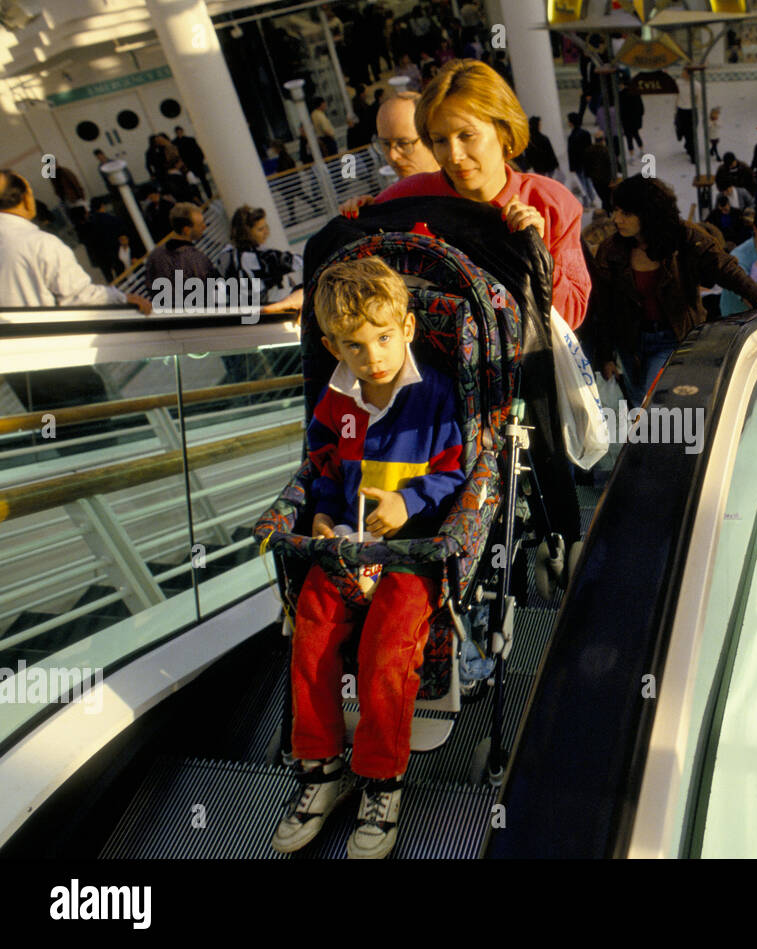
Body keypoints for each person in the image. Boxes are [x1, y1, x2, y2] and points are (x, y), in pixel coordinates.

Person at [270, 256, 466, 860]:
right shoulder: (336, 401)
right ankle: (320, 763)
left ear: (407, 328)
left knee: (387, 652)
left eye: (384, 338)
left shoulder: (435, 395)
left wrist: (410, 502)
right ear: (333, 346)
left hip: (414, 553)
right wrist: (324, 514)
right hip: (348, 551)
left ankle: (382, 777)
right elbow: (323, 469)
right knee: (312, 633)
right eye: (355, 346)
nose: (373, 356)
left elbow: (458, 472)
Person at [375, 58, 590, 550]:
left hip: (522, 395)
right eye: (439, 140)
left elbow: (572, 312)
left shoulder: (551, 203)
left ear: (504, 133)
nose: (453, 154)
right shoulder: (409, 201)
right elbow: (362, 261)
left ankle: (554, 542)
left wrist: (534, 253)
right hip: (439, 406)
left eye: (467, 136)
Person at [590, 176, 757, 407]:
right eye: (615, 211)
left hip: (672, 336)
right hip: (630, 342)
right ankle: (648, 440)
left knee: (651, 398)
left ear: (647, 213)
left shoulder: (683, 237)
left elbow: (721, 265)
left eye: (625, 213)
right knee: (637, 401)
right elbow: (604, 306)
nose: (616, 219)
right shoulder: (611, 250)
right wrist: (605, 355)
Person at [0, 169, 151, 313]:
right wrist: (123, 298)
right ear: (27, 199)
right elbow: (79, 297)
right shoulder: (41, 244)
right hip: (39, 336)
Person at [213, 204, 304, 308]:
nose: (266, 232)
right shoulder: (262, 257)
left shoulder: (226, 255)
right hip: (268, 312)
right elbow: (296, 261)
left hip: (239, 313)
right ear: (246, 233)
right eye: (260, 229)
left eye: (266, 227)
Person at [144, 202, 214, 304]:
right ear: (187, 230)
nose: (204, 227)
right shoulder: (196, 259)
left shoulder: (155, 256)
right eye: (200, 225)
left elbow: (150, 287)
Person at [567, 111, 598, 207]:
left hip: (577, 164)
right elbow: (590, 148)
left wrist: (571, 168)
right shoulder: (586, 133)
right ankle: (592, 199)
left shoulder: (571, 137)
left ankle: (586, 202)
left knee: (582, 184)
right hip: (586, 162)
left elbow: (571, 153)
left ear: (571, 123)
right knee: (588, 181)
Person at [172, 126, 211, 199]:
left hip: (196, 162)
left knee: (204, 180)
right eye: (178, 132)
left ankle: (210, 195)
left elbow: (198, 150)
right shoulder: (175, 143)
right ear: (176, 133)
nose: (179, 133)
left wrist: (201, 159)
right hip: (186, 165)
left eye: (180, 131)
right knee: (192, 183)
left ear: (182, 131)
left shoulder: (190, 140)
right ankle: (199, 198)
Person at [522, 115, 561, 181]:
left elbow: (528, 156)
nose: (541, 126)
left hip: (538, 168)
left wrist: (528, 166)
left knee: (543, 182)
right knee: (550, 181)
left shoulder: (529, 141)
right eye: (539, 124)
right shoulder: (544, 139)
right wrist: (556, 164)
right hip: (548, 167)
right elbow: (551, 153)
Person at [584, 130, 614, 213]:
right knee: (608, 198)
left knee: (603, 198)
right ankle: (608, 213)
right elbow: (611, 164)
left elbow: (586, 165)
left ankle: (606, 213)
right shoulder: (606, 150)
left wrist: (589, 175)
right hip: (606, 179)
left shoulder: (589, 150)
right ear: (603, 140)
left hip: (595, 179)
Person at [619, 77, 645, 156]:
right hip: (635, 119)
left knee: (629, 138)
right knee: (636, 134)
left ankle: (631, 155)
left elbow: (621, 108)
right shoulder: (636, 93)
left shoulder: (621, 94)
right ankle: (641, 150)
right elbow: (641, 108)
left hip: (626, 120)